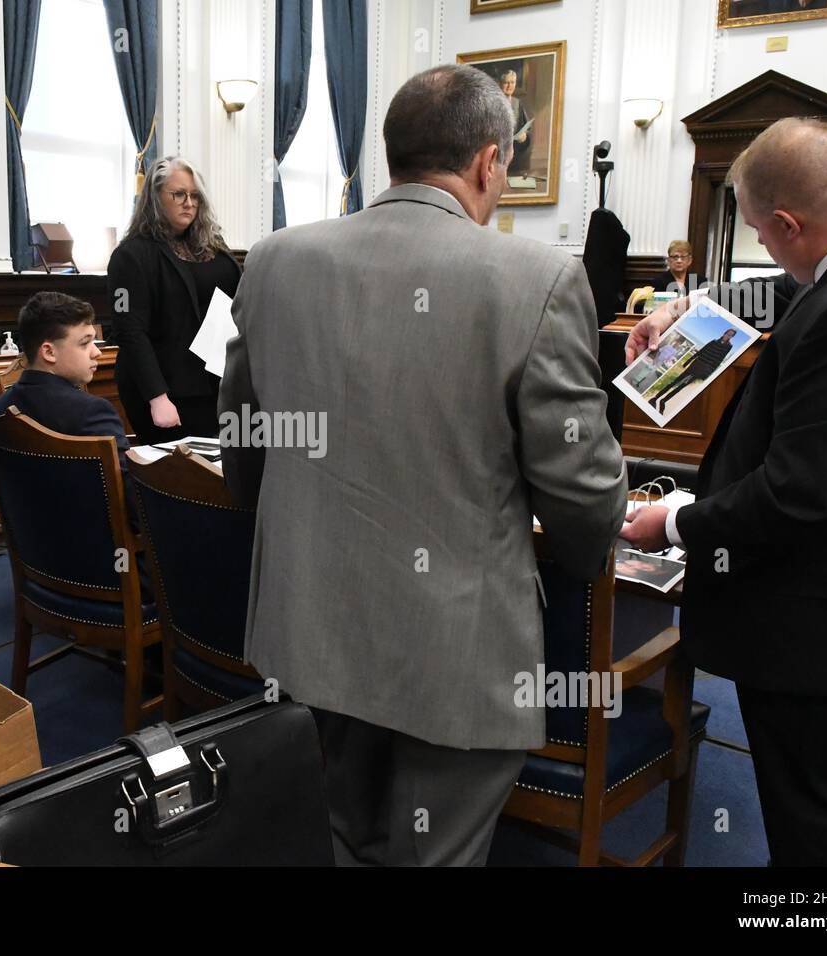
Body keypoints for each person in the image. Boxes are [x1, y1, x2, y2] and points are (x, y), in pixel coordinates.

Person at [220, 64, 627, 866]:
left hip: (307, 627)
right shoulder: (538, 277)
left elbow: (243, 441)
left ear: (391, 154)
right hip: (455, 654)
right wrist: (585, 562)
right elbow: (583, 492)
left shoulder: (273, 258)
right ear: (489, 162)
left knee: (329, 836)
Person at [621, 117, 827, 866]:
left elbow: (797, 495)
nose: (772, 255)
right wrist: (684, 309)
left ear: (787, 224)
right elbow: (796, 290)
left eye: (763, 233)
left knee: (823, 842)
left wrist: (679, 520)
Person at [107, 157, 242, 445]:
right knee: (182, 476)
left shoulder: (213, 248)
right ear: (155, 198)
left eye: (195, 196)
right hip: (165, 391)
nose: (189, 203)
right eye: (178, 194)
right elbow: (129, 331)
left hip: (214, 384)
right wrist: (157, 397)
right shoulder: (129, 256)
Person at [0, 291, 135, 521]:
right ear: (48, 351)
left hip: (34, 553)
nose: (97, 352)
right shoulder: (92, 413)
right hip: (106, 554)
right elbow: (133, 506)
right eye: (85, 343)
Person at [644, 328, 736, 413]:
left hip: (704, 368)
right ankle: (655, 398)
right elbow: (701, 351)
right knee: (675, 381)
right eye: (728, 333)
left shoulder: (728, 347)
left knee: (682, 386)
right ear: (724, 333)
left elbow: (719, 360)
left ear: (732, 337)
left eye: (731, 335)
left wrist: (709, 373)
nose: (728, 336)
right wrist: (688, 360)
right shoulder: (714, 342)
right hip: (696, 364)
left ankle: (664, 401)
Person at [500, 69, 532, 176]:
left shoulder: (517, 103)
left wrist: (524, 136)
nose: (509, 86)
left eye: (512, 82)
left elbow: (526, 127)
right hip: (498, 154)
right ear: (501, 84)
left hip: (516, 156)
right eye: (506, 83)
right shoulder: (493, 103)